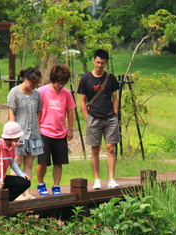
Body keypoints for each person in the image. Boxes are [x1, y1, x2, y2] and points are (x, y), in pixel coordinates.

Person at [77, 49, 120, 190]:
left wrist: (115, 114)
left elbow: (115, 98)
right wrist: (87, 117)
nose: (99, 65)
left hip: (109, 118)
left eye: (102, 63)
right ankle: (97, 179)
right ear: (93, 61)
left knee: (110, 148)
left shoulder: (111, 78)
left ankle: (111, 178)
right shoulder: (85, 79)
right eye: (97, 62)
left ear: (106, 63)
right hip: (93, 117)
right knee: (95, 149)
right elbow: (82, 101)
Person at [35, 65, 76, 195]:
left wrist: (70, 129)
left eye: (63, 83)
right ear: (53, 79)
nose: (60, 86)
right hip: (44, 132)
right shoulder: (41, 91)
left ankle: (56, 186)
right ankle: (40, 184)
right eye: (59, 83)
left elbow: (70, 111)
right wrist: (36, 131)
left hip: (60, 133)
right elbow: (36, 112)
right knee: (42, 161)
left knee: (59, 162)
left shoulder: (67, 93)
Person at [7, 67, 43, 180]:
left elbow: (38, 112)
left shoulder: (37, 94)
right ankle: (15, 193)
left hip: (33, 134)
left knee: (28, 164)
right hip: (19, 135)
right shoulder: (14, 92)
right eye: (33, 82)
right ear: (25, 79)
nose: (35, 85)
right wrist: (13, 135)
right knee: (16, 163)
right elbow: (11, 112)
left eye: (37, 83)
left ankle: (26, 192)